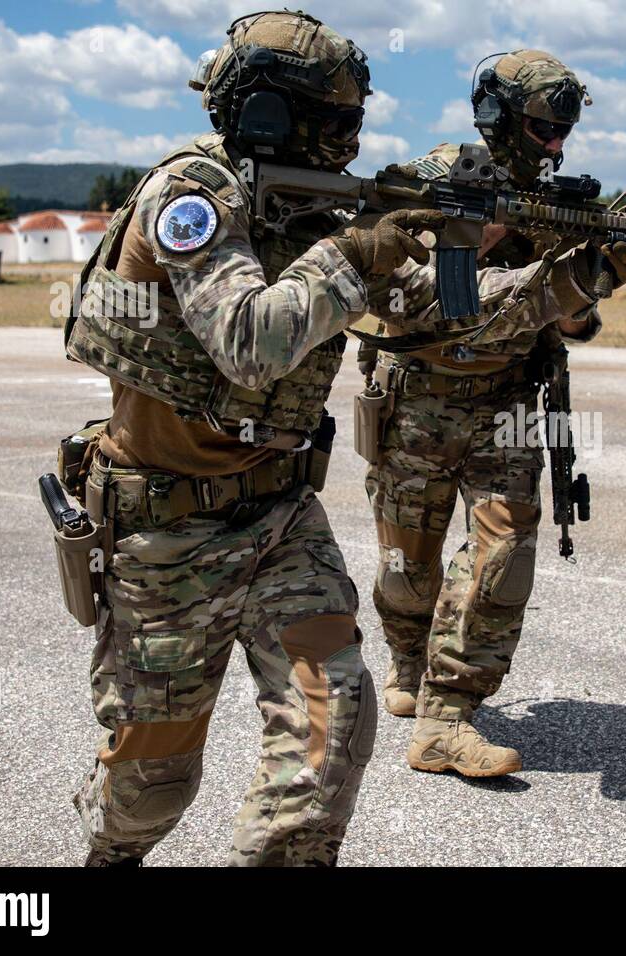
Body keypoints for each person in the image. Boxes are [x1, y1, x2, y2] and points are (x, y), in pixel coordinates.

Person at [63, 10, 443, 866]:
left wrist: (508, 261)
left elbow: (435, 321)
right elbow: (250, 342)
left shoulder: (317, 208)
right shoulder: (192, 196)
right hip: (166, 527)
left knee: (331, 726)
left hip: (279, 516)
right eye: (336, 118)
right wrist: (358, 252)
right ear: (271, 113)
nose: (351, 137)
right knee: (152, 787)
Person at [361, 49, 626, 777]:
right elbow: (416, 297)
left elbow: (569, 323)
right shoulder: (434, 179)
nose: (555, 145)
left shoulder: (563, 204)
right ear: (498, 113)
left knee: (503, 556)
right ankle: (407, 663)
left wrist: (594, 276)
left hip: (507, 405)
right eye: (542, 128)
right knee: (409, 564)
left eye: (564, 131)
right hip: (418, 401)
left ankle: (448, 715)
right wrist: (476, 238)